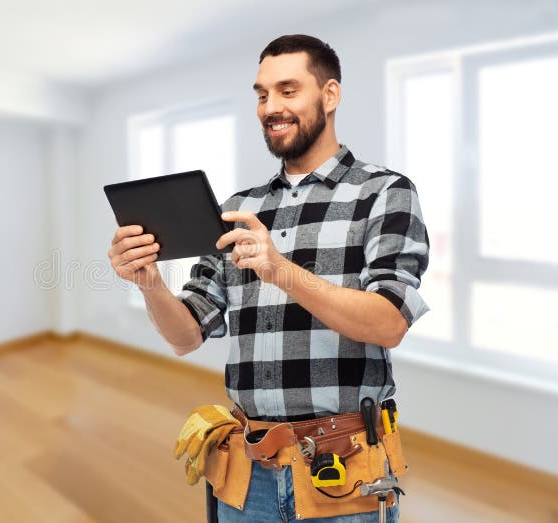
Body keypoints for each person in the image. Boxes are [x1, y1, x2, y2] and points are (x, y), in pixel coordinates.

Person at [107, 34, 428, 523]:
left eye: (287, 90)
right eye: (262, 94)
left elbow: (389, 324)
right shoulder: (238, 209)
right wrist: (147, 280)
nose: (270, 107)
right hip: (248, 471)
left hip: (344, 472)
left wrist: (279, 270)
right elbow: (185, 337)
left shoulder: (384, 193)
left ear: (330, 95)